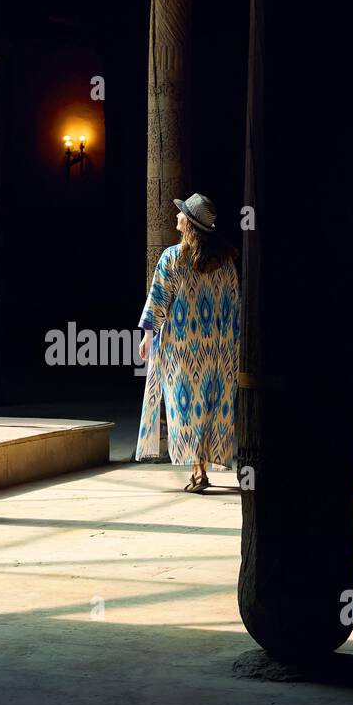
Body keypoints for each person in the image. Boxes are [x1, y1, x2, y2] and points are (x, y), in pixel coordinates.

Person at [136, 193, 240, 492]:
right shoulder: (225, 262)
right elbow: (235, 303)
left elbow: (158, 300)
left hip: (182, 349)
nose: (177, 216)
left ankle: (198, 470)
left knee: (185, 409)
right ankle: (202, 466)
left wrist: (147, 335)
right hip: (218, 347)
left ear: (190, 224)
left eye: (181, 214)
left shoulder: (172, 257)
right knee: (210, 404)